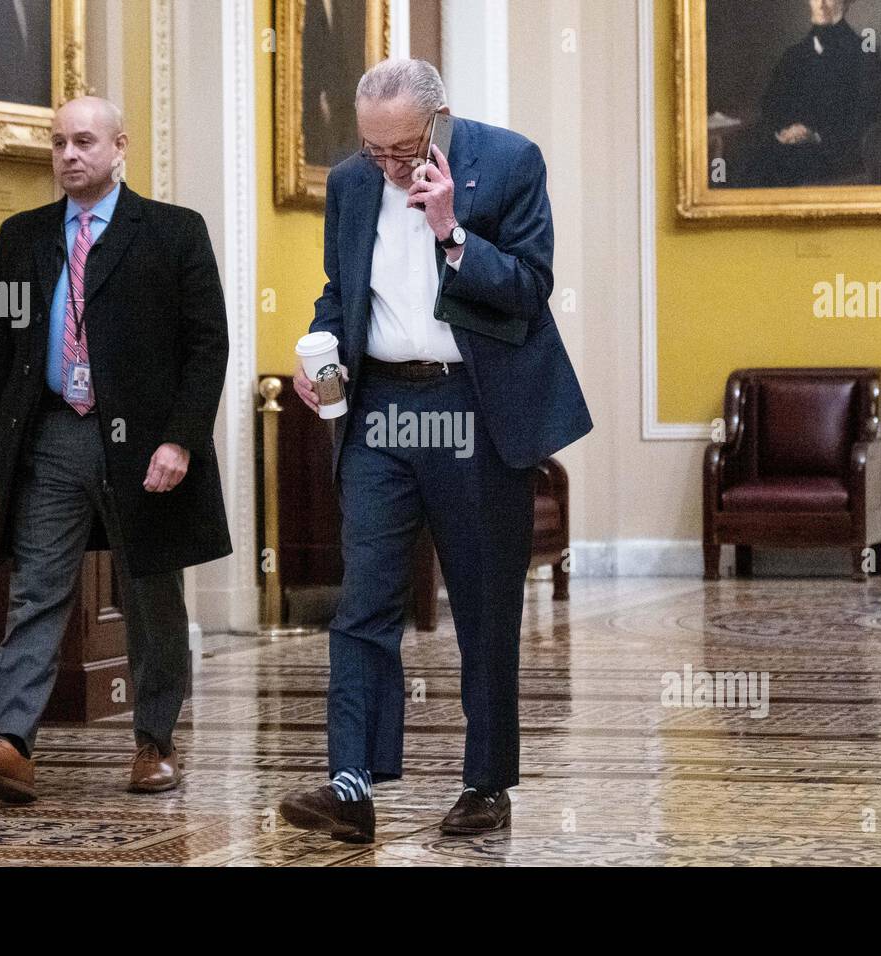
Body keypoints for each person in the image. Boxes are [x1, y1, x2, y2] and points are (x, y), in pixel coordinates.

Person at [278, 59, 592, 843]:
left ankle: (485, 784)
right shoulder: (352, 184)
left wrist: (452, 231)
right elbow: (340, 286)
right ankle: (351, 782)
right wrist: (321, 345)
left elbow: (529, 287)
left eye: (403, 149)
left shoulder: (509, 162)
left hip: (472, 408)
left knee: (485, 605)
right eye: (372, 150)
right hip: (380, 407)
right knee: (365, 601)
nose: (386, 166)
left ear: (440, 118)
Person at [0, 96, 231, 803]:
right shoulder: (23, 236)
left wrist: (181, 440)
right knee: (37, 589)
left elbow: (206, 345)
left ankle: (154, 742)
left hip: (145, 446)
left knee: (150, 591)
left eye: (85, 141)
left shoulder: (172, 232)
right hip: (54, 436)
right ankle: (7, 742)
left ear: (120, 146)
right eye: (59, 142)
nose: (69, 155)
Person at [733, 0, 881, 187]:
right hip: (787, 148)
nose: (821, 4)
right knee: (749, 163)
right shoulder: (793, 55)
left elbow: (866, 116)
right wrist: (785, 130)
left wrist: (816, 134)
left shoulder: (864, 54)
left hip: (836, 155)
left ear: (845, 3)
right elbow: (771, 107)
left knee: (779, 166)